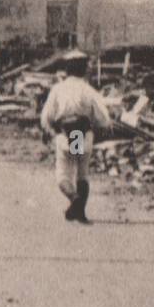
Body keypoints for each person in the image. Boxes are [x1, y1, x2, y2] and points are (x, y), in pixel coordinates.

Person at [39, 49, 112, 224]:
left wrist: (48, 130)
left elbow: (46, 117)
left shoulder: (58, 89)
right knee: (82, 173)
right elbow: (103, 118)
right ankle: (80, 212)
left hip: (65, 134)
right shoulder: (88, 90)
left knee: (63, 175)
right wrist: (101, 129)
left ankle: (74, 199)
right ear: (83, 68)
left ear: (67, 69)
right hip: (82, 134)